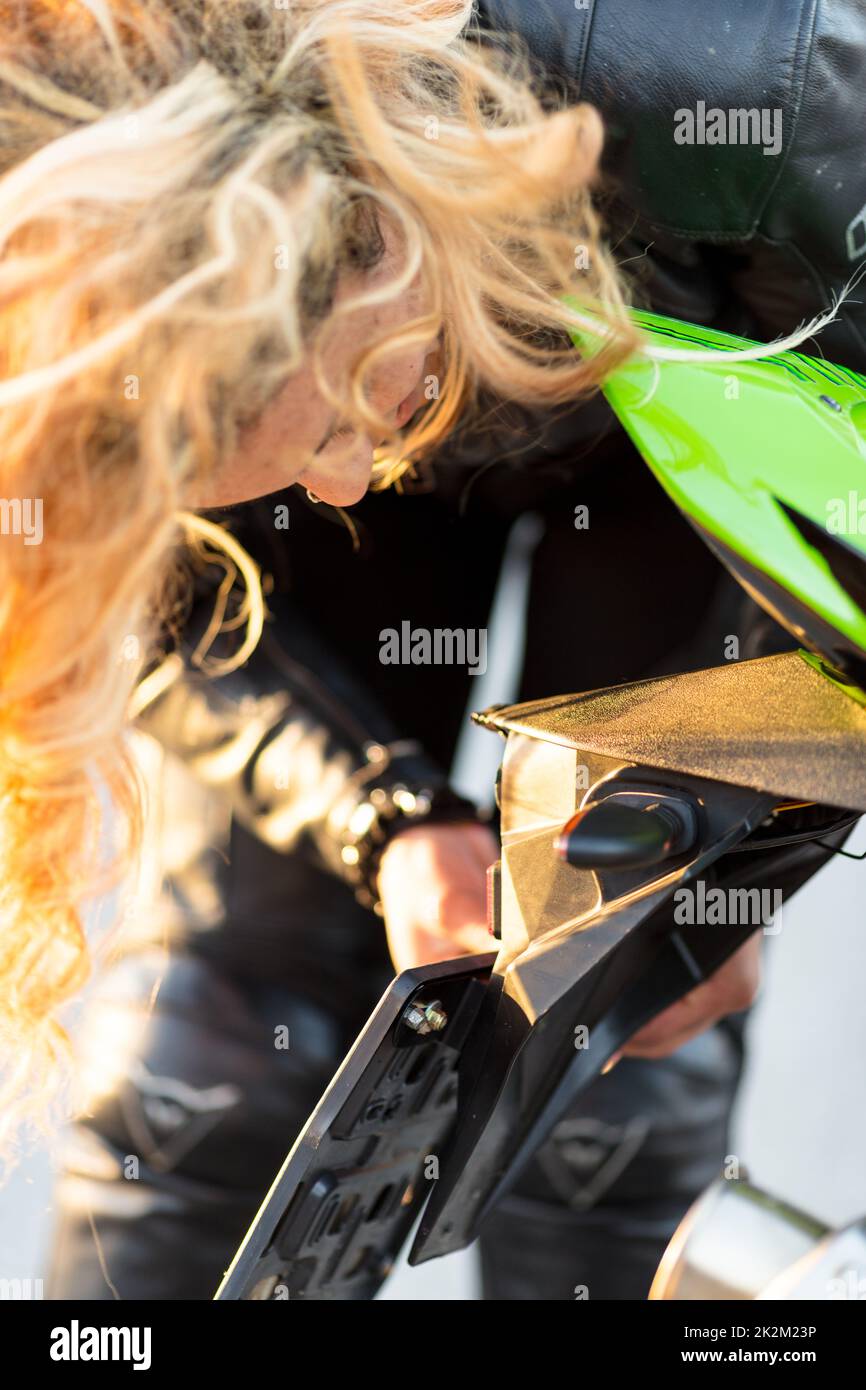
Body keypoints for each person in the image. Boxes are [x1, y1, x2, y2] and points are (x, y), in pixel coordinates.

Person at [0, 0, 861, 1299]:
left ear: (310, 239)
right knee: (221, 1057)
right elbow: (112, 598)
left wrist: (731, 814)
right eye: (278, 469)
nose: (346, 482)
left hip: (680, 361)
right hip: (387, 292)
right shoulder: (124, 248)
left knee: (602, 1045)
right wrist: (383, 816)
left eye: (326, 432)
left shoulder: (760, 91)